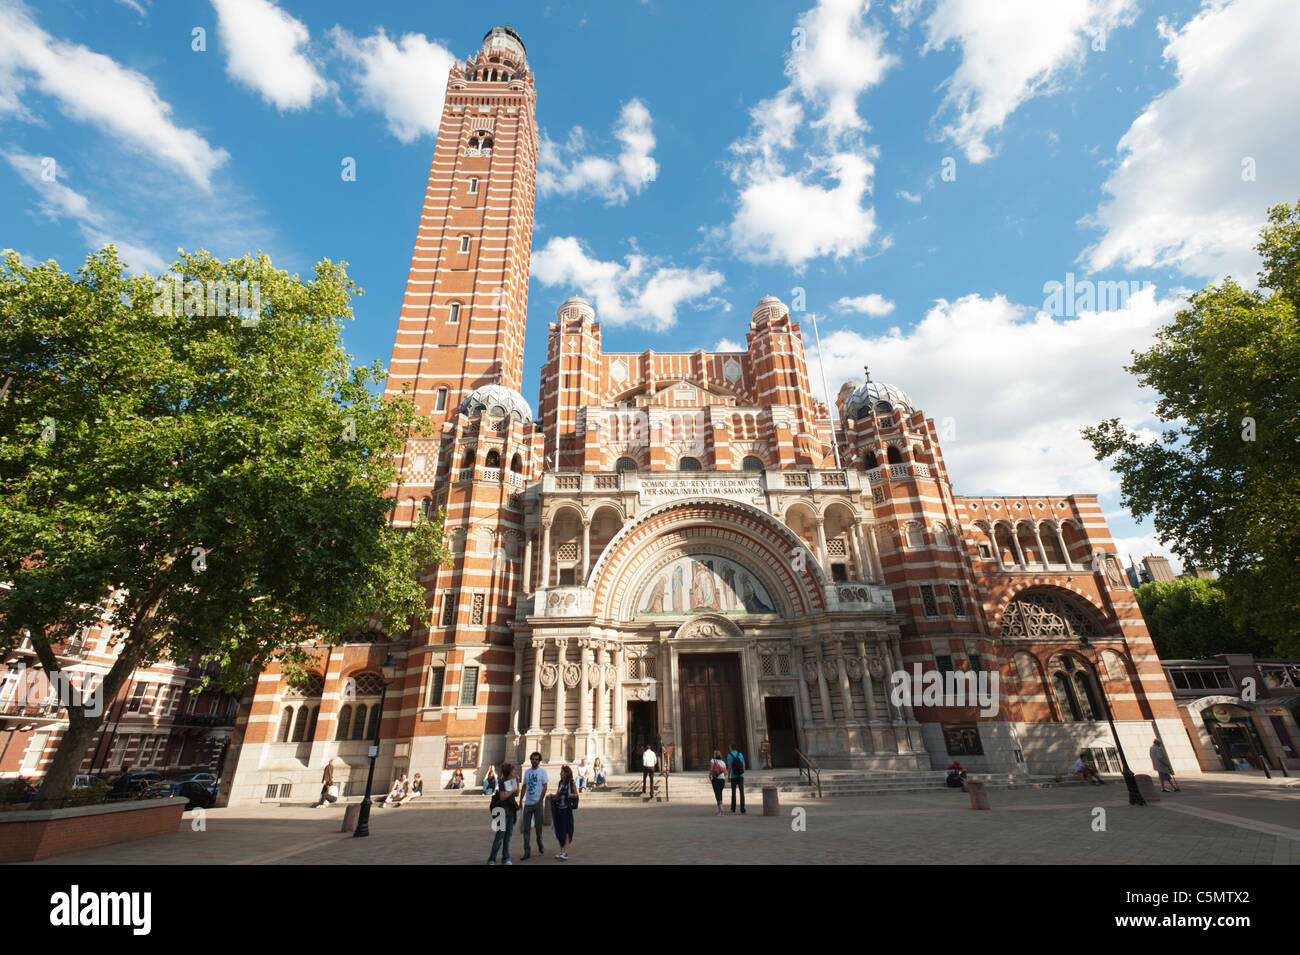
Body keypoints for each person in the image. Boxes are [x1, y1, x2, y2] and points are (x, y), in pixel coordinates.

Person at [487, 762, 518, 865]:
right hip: (502, 810)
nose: (515, 772)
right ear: (509, 771)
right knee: (500, 835)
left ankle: (506, 858)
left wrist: (516, 783)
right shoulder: (502, 781)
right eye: (513, 770)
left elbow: (516, 793)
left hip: (511, 810)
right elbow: (502, 797)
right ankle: (492, 859)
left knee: (508, 835)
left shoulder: (512, 781)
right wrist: (511, 791)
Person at [519, 752, 548, 860]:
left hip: (538, 804)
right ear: (530, 760)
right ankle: (527, 851)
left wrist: (540, 800)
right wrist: (521, 799)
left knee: (538, 826)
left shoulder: (542, 772)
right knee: (526, 829)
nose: (534, 761)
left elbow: (545, 787)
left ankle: (539, 840)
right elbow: (524, 786)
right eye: (533, 759)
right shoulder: (527, 772)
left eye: (536, 759)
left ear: (539, 761)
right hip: (528, 804)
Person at [551, 764, 577, 861]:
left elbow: (576, 795)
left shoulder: (571, 783)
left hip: (567, 809)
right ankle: (562, 850)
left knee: (567, 831)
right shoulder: (560, 783)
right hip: (559, 809)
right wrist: (552, 796)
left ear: (566, 773)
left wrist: (570, 795)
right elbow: (557, 794)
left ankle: (565, 852)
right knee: (560, 830)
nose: (560, 773)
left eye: (562, 772)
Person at [726, 743, 746, 813]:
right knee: (742, 792)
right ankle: (742, 808)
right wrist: (742, 773)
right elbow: (743, 765)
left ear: (731, 748)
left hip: (733, 776)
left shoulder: (729, 755)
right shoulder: (740, 754)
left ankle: (733, 808)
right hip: (740, 776)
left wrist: (728, 776)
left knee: (733, 792)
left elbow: (729, 767)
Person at [708, 749, 727, 815]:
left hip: (716, 780)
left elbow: (711, 769)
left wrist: (709, 775)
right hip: (722, 780)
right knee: (719, 794)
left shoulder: (712, 760)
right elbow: (725, 773)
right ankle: (719, 810)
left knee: (717, 795)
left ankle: (721, 811)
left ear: (715, 755)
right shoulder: (723, 762)